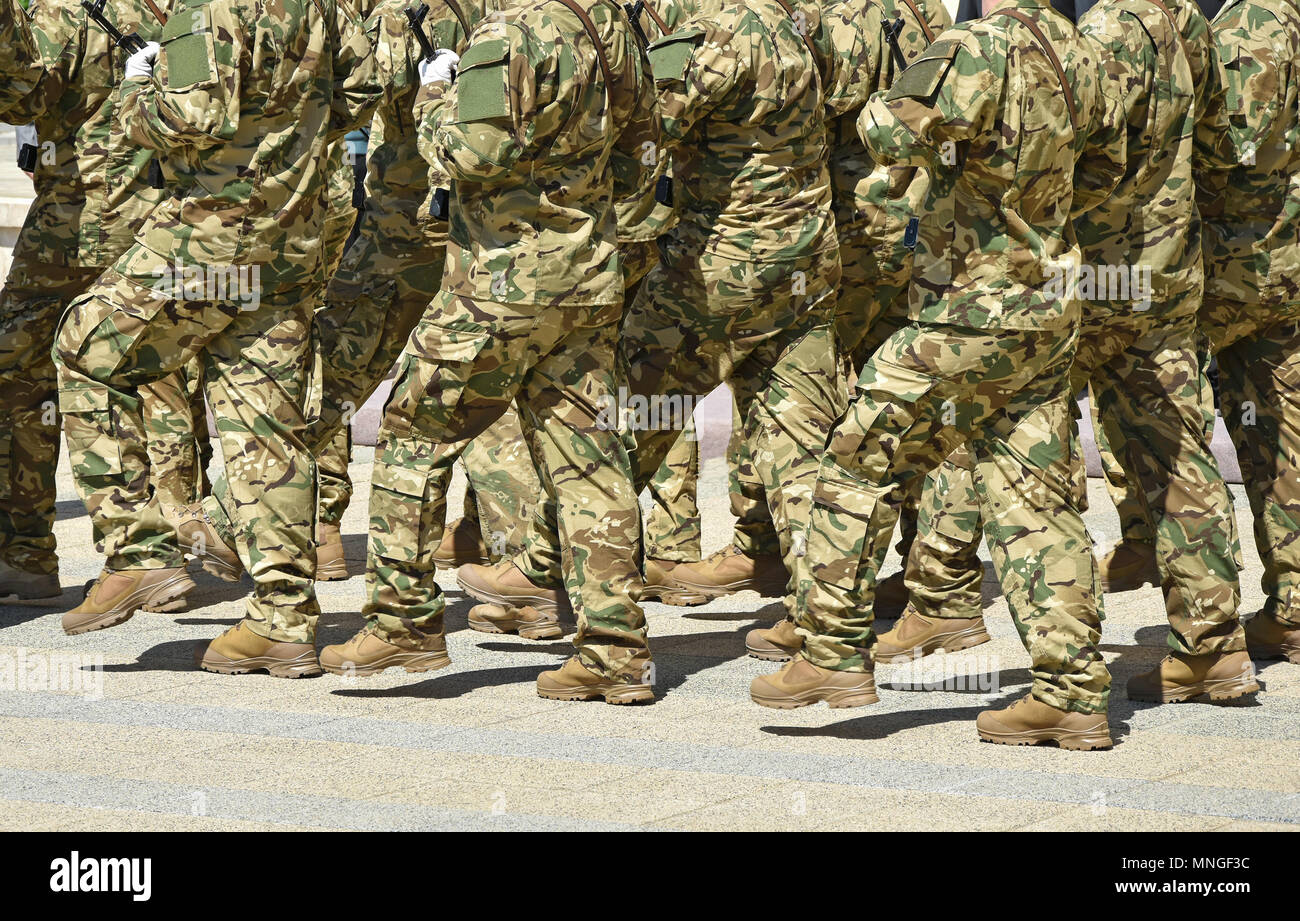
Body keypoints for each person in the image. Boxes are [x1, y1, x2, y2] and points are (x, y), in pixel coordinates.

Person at [753, 0, 1127, 752]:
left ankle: (828, 654)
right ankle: (1071, 693)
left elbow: (886, 128)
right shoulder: (1084, 53)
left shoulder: (975, 44)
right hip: (1051, 303)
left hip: (970, 311)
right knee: (1032, 500)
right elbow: (1110, 168)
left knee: (857, 461)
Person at [319, 0, 663, 705]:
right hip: (587, 279)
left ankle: (403, 621)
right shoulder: (606, 25)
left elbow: (467, 153)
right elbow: (640, 151)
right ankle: (616, 650)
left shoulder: (507, 34)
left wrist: (437, 92)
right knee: (590, 461)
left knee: (414, 431)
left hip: (499, 285)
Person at [56, 0, 381, 681]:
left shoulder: (210, 6)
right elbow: (364, 89)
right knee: (268, 430)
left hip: (209, 242)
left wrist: (138, 89)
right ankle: (282, 621)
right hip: (290, 243)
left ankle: (137, 547)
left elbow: (188, 118)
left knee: (86, 348)